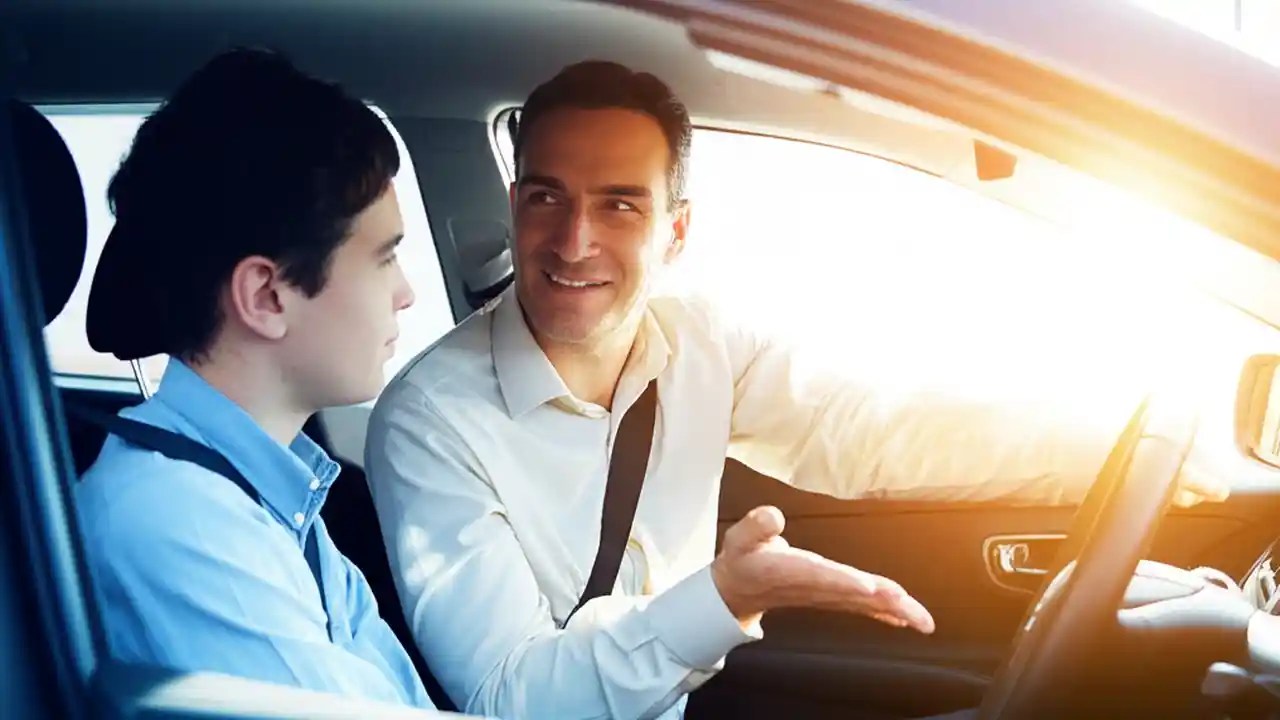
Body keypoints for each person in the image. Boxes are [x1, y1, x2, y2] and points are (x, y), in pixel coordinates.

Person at [365, 61, 1227, 719]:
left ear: (678, 231)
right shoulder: (429, 422)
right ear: (516, 204)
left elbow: (876, 432)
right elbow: (509, 697)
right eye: (547, 197)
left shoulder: (701, 340)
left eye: (620, 206)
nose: (574, 240)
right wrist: (727, 598)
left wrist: (1109, 448)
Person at [75, 48, 432, 709]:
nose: (406, 293)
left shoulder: (278, 504)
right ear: (267, 297)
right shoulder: (176, 523)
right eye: (384, 260)